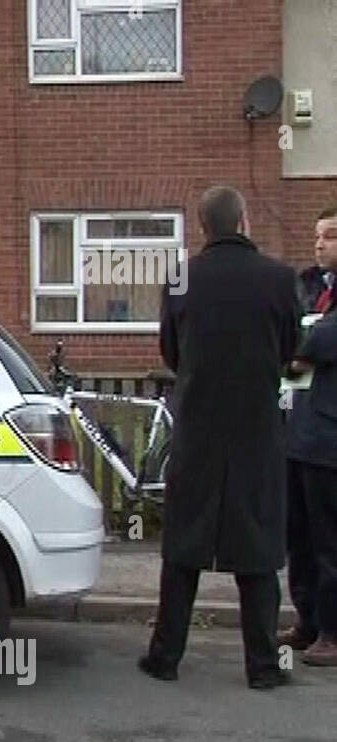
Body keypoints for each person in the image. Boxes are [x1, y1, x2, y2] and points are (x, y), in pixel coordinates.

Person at [140, 186, 299, 690]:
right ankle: (263, 666)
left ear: (203, 227)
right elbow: (289, 348)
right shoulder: (278, 279)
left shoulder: (182, 278)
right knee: (257, 547)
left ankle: (165, 656)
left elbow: (171, 350)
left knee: (184, 546)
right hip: (257, 429)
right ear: (244, 221)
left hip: (198, 427)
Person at [281, 206, 337, 666]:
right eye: (318, 236)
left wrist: (304, 345)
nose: (320, 244)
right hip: (296, 430)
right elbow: (289, 333)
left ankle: (333, 634)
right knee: (297, 536)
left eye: (331, 236)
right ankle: (307, 620)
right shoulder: (309, 285)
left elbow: (322, 342)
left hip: (329, 439)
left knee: (328, 541)